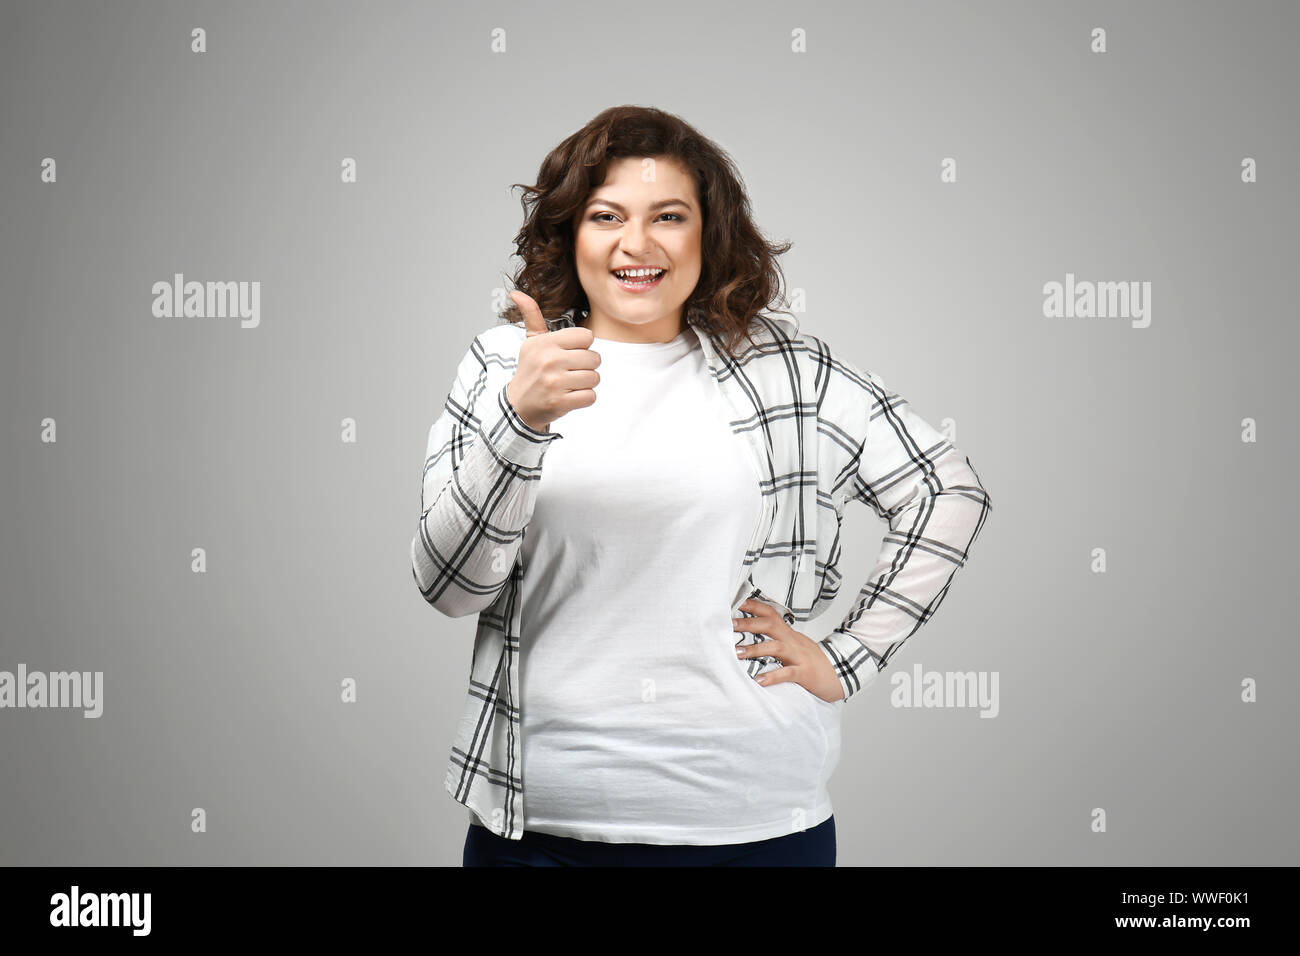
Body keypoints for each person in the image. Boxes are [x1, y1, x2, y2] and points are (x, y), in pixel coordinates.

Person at [410, 106, 992, 867]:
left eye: (670, 217)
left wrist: (847, 656)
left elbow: (949, 492)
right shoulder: (503, 367)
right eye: (606, 215)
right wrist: (522, 421)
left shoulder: (787, 369)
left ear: (707, 236)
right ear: (570, 234)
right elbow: (451, 588)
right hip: (539, 829)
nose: (637, 244)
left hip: (754, 825)